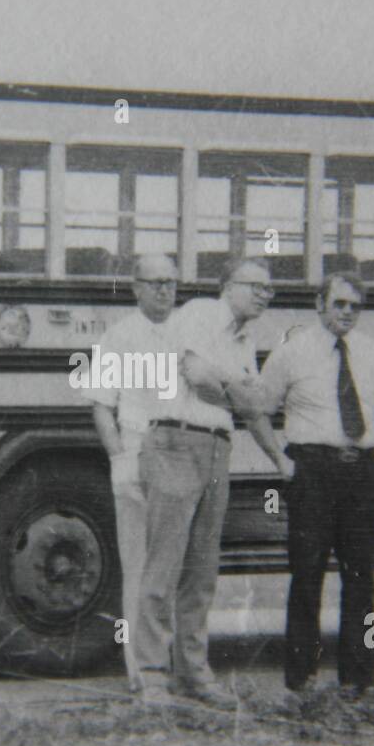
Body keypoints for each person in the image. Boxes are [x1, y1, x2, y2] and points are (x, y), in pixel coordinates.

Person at [133, 256, 274, 710]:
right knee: (164, 564)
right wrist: (235, 388)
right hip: (175, 440)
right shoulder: (198, 313)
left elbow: (250, 406)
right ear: (228, 286)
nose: (264, 296)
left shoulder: (246, 339)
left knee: (201, 569)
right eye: (255, 286)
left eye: (269, 290)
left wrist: (280, 457)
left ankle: (193, 672)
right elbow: (198, 379)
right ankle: (152, 677)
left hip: (217, 446)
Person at [255, 272, 374, 695]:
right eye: (339, 303)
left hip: (362, 471)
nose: (346, 313)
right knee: (307, 572)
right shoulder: (292, 352)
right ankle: (301, 676)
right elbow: (259, 410)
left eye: (355, 306)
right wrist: (281, 463)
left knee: (362, 576)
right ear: (320, 304)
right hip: (313, 470)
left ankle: (358, 677)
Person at [83, 254, 181, 692]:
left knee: (174, 562)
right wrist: (120, 457)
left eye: (171, 283)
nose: (164, 290)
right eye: (155, 282)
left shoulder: (188, 333)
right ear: (136, 287)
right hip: (138, 451)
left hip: (181, 455)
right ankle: (140, 670)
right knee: (138, 564)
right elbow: (102, 404)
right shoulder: (118, 337)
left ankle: (172, 663)